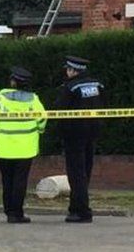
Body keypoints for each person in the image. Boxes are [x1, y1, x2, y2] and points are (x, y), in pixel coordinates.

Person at [0, 66, 46, 224]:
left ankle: (9, 212)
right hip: (25, 148)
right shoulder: (33, 99)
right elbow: (42, 119)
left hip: (3, 146)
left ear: (13, 82)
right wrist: (39, 130)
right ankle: (17, 213)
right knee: (20, 181)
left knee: (7, 181)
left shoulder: (1, 96)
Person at [55, 55, 103, 223]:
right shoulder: (97, 85)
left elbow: (60, 110)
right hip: (92, 133)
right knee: (85, 172)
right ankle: (76, 207)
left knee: (76, 175)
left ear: (72, 70)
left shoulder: (70, 87)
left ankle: (81, 211)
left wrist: (61, 134)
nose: (66, 72)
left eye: (68, 70)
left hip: (74, 135)